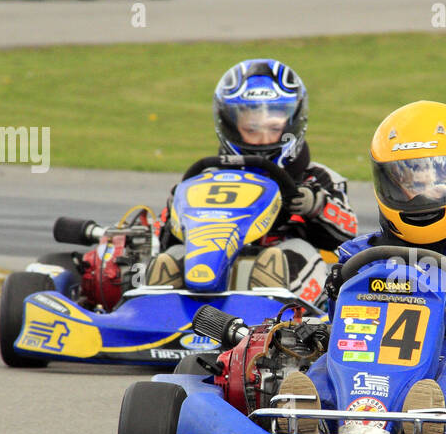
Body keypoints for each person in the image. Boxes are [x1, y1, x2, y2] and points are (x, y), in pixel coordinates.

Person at [278, 100, 446, 434]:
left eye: (437, 179)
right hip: (357, 360)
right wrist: (335, 290)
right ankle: (305, 427)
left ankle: (433, 425)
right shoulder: (361, 251)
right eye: (409, 182)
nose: (420, 195)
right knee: (326, 368)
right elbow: (337, 317)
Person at [147, 59, 358, 291]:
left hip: (292, 286)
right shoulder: (206, 178)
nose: (264, 139)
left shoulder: (318, 178)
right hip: (214, 275)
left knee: (291, 253)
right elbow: (160, 241)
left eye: (274, 128)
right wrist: (179, 211)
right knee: (172, 257)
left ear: (292, 124)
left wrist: (314, 205)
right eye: (252, 129)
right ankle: (162, 314)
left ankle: (273, 305)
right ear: (230, 125)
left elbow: (349, 238)